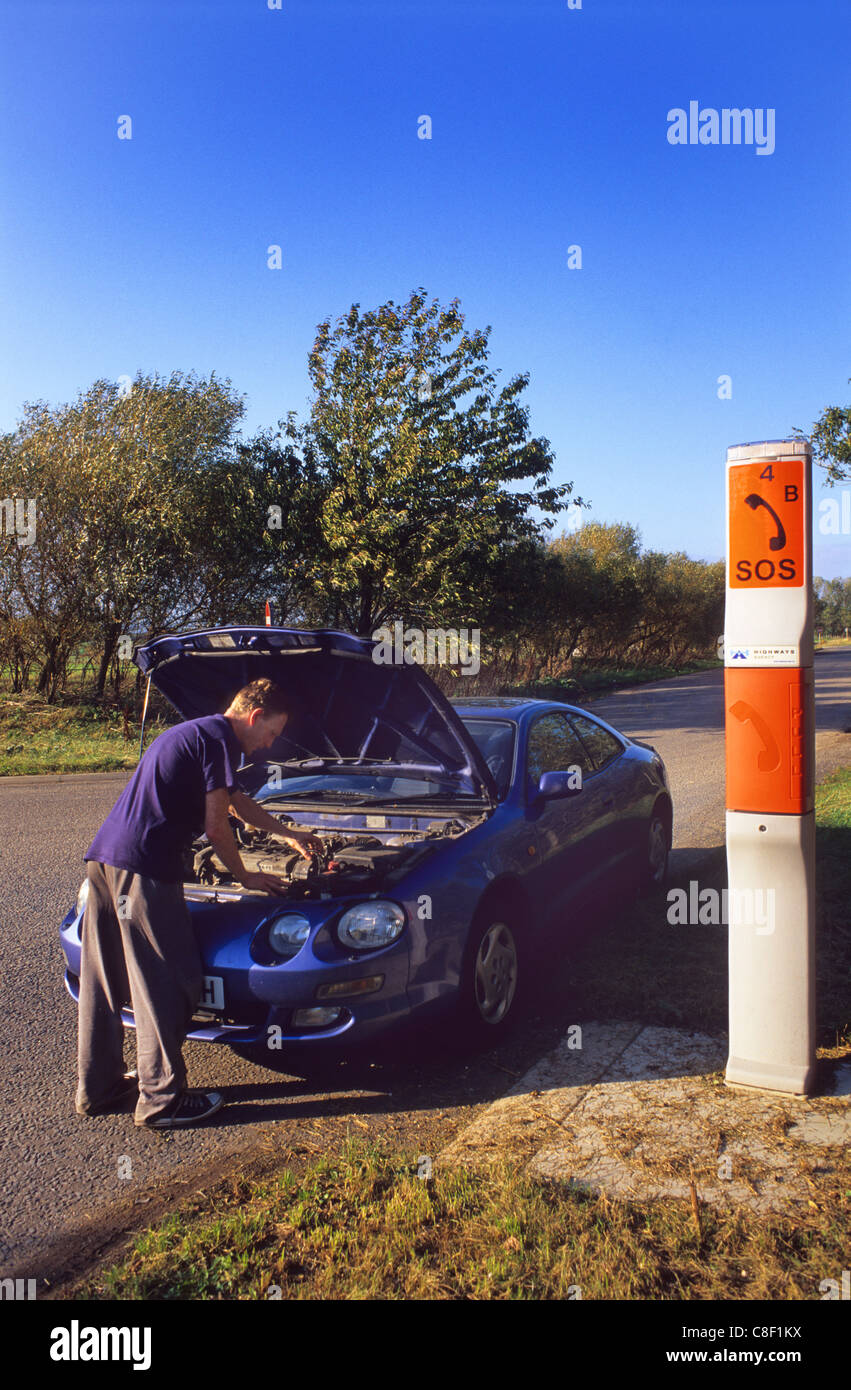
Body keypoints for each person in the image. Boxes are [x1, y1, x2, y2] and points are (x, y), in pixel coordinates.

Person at [75, 677, 323, 1129]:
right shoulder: (219, 740)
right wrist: (246, 876)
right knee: (167, 982)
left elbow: (236, 804)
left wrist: (290, 835)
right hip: (145, 868)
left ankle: (100, 1087)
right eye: (271, 733)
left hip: (104, 860)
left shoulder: (197, 733)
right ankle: (161, 1101)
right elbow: (216, 825)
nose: (268, 745)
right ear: (254, 717)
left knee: (105, 979)